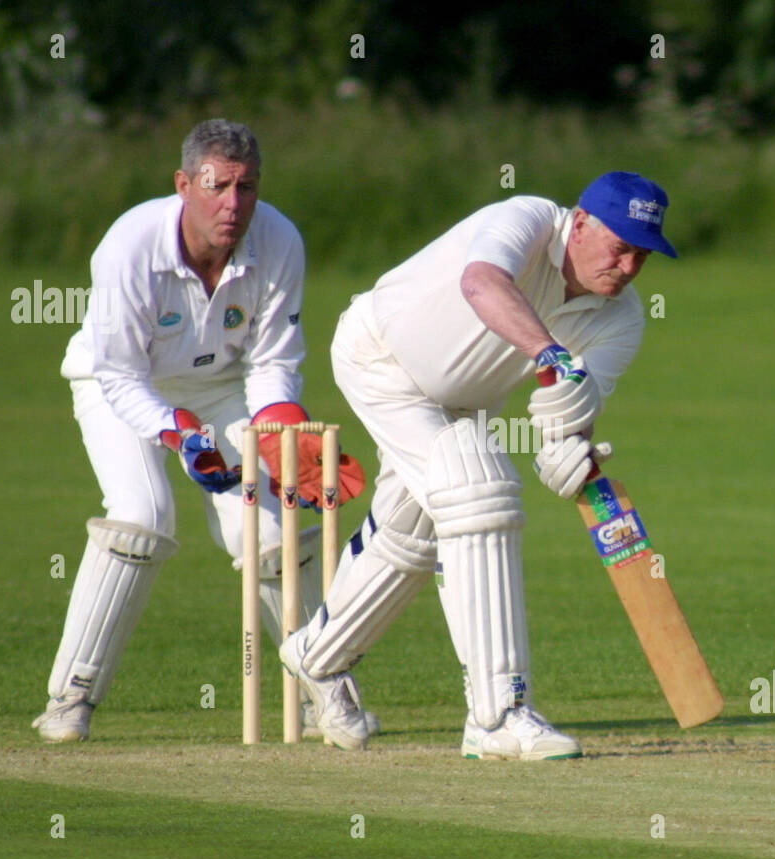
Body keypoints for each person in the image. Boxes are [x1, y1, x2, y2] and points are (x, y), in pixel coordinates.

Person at [281, 171, 677, 759]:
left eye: (641, 256)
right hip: (382, 360)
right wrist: (549, 352)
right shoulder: (527, 218)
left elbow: (565, 414)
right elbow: (482, 282)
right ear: (583, 222)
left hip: (468, 402)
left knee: (413, 529)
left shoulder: (621, 317)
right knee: (480, 488)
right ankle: (497, 715)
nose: (628, 268)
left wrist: (568, 455)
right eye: (620, 248)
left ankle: (315, 655)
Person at [33, 119, 366, 743]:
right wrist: (179, 434)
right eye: (217, 187)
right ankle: (70, 699)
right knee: (142, 517)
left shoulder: (279, 240)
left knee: (271, 528)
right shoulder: (128, 246)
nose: (233, 205)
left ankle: (329, 693)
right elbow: (122, 375)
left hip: (219, 388)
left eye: (247, 187)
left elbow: (272, 363)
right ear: (184, 184)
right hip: (122, 387)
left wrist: (280, 433)